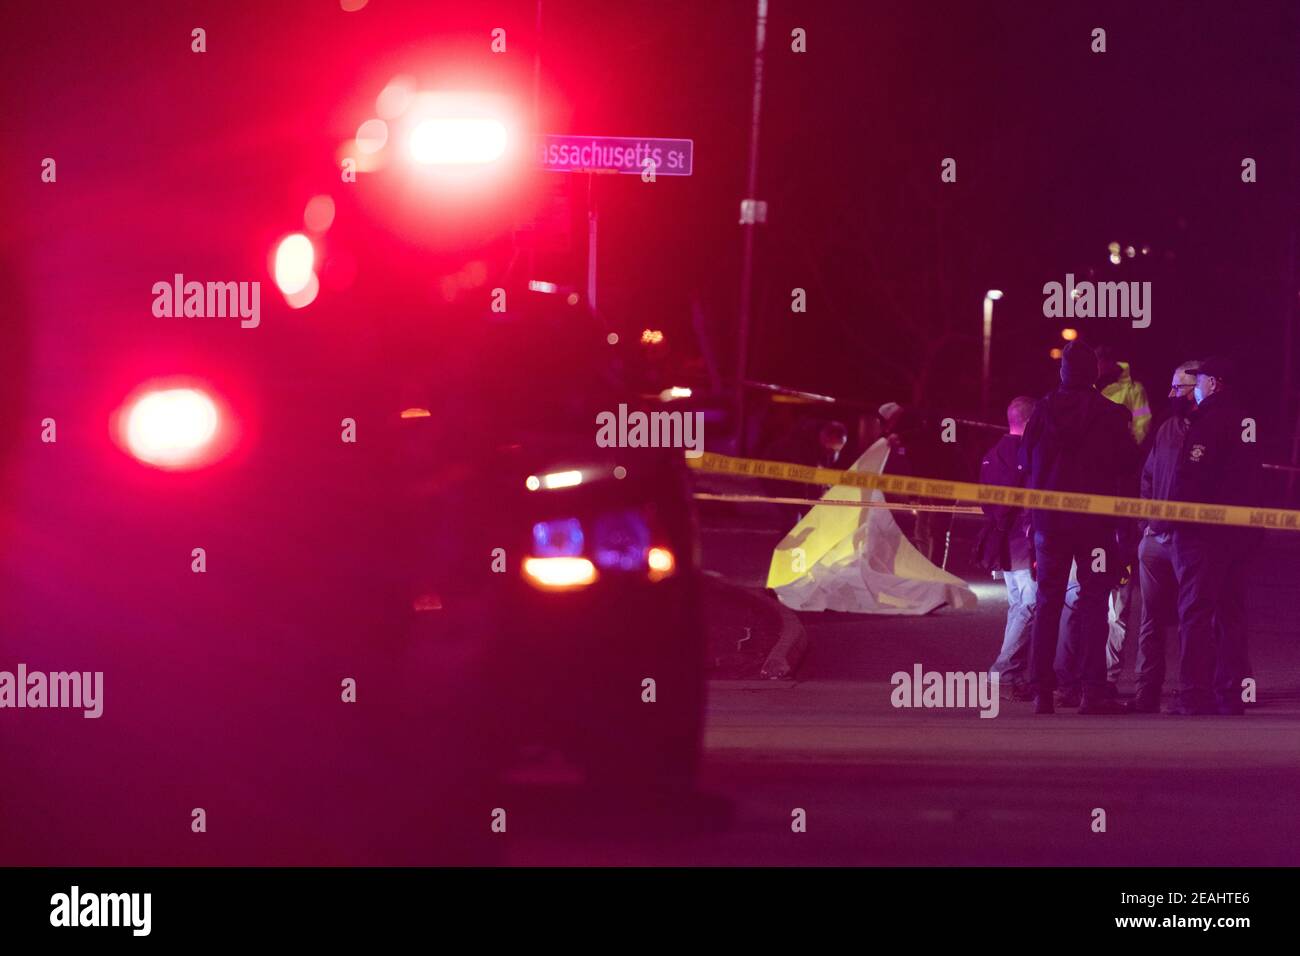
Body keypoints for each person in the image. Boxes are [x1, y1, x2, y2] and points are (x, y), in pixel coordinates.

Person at [1019, 341, 1133, 715]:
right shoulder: (1112, 415)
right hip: (1095, 528)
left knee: (1048, 601)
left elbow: (1024, 461)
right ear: (1094, 374)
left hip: (1049, 524)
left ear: (1063, 372)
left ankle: (1042, 691)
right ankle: (1091, 690)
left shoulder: (1042, 412)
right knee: (1095, 602)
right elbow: (1127, 466)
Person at [1167, 357, 1258, 715]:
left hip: (1203, 535)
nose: (1197, 387)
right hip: (1238, 534)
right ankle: (1230, 694)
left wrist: (1180, 520)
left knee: (1195, 613)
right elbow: (1253, 479)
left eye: (1200, 380)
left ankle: (1193, 693)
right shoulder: (1247, 421)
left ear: (1214, 384)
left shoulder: (1209, 422)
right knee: (1231, 614)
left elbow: (1192, 476)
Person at [1126, 360, 1200, 713]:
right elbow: (1148, 477)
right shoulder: (1167, 429)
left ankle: (1191, 693)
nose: (1172, 395)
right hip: (1156, 539)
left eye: (1179, 388)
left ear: (1199, 388)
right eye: (1171, 387)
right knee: (1151, 620)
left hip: (1190, 542)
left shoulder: (1211, 431)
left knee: (1194, 619)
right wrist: (1147, 523)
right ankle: (1146, 692)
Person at [979, 397, 1037, 700]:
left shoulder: (991, 455)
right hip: (1022, 544)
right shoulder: (1028, 456)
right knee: (1028, 606)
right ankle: (1004, 670)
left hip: (1001, 545)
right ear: (1030, 421)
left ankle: (1011, 673)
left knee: (1018, 607)